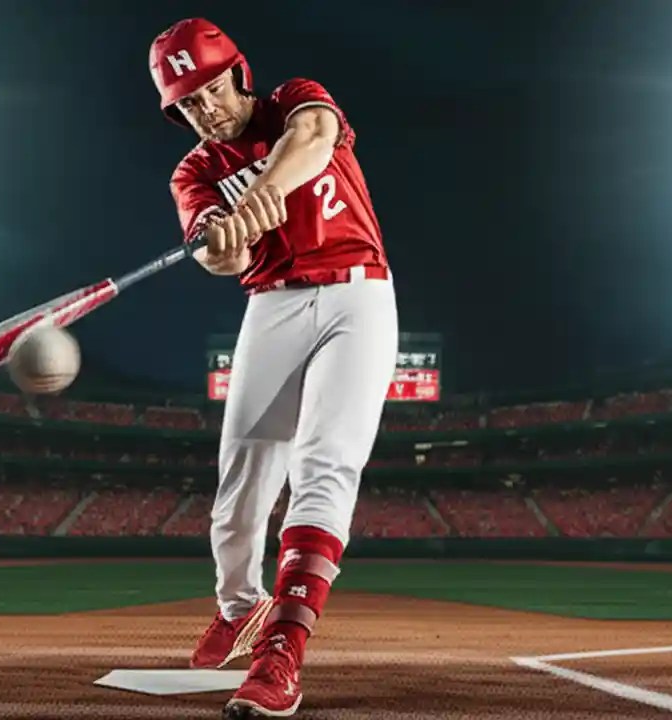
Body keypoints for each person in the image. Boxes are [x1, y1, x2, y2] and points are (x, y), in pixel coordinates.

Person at [149, 17, 399, 719]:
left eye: (210, 89)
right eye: (188, 104)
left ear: (238, 72)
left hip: (358, 295)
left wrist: (259, 197)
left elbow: (315, 141)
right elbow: (218, 258)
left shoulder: (293, 99)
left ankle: (282, 653)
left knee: (325, 464)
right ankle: (241, 606)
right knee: (240, 493)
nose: (205, 109)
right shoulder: (195, 169)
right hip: (272, 307)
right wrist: (222, 242)